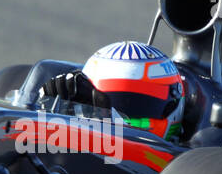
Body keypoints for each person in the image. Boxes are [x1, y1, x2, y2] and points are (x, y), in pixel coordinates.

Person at [39, 41, 186, 142]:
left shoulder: (189, 171)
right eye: (102, 106)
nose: (116, 117)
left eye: (137, 106)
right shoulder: (86, 146)